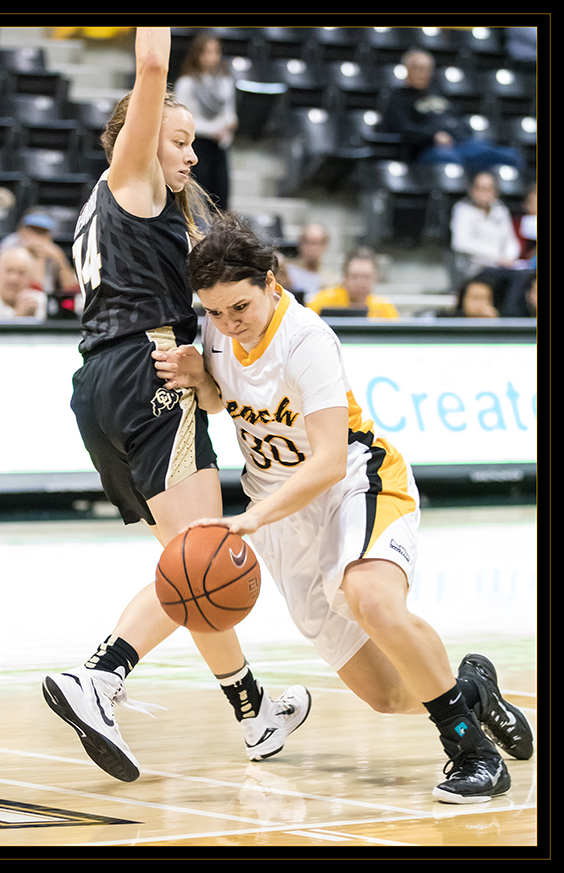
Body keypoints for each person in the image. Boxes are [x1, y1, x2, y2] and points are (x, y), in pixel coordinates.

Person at [152, 213, 534, 803]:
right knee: (385, 694)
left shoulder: (306, 339)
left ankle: (472, 752)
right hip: (283, 512)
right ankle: (471, 692)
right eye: (214, 312)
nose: (229, 324)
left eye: (239, 309)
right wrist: (202, 379)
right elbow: (225, 400)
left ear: (271, 283)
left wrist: (251, 519)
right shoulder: (219, 335)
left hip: (356, 483)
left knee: (372, 598)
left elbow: (329, 460)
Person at [41, 28, 310, 785]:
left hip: (100, 382)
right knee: (201, 557)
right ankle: (101, 675)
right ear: (138, 136)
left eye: (194, 142)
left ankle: (253, 708)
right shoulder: (133, 178)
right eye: (180, 139)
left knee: (189, 564)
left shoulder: (112, 208)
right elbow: (153, 61)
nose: (191, 154)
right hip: (146, 369)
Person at [382, 50, 525, 177]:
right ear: (407, 69)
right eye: (418, 68)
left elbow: (460, 120)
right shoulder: (398, 98)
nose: (423, 73)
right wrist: (433, 136)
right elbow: (404, 129)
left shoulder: (439, 94)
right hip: (429, 149)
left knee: (510, 156)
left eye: (427, 69)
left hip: (462, 145)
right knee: (450, 162)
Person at [173, 31, 237, 211]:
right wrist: (211, 130)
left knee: (220, 199)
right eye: (207, 52)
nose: (212, 57)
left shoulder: (225, 81)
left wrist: (229, 123)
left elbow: (229, 112)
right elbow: (183, 118)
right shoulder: (187, 83)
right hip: (197, 145)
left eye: (215, 52)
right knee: (200, 198)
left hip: (219, 145)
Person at [450, 171, 521, 280]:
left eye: (488, 189)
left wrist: (510, 257)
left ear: (495, 191)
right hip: (474, 265)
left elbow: (509, 238)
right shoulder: (462, 210)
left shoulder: (500, 210)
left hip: (502, 264)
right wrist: (496, 257)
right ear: (471, 189)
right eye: (480, 188)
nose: (484, 193)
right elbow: (460, 243)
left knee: (524, 275)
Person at [0, 209, 79, 294]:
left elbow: (71, 288)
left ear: (50, 236)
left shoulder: (53, 250)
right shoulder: (10, 246)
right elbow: (36, 288)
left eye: (42, 233)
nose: (36, 237)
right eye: (32, 231)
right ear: (21, 230)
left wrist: (60, 260)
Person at [308, 249, 399, 318]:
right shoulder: (323, 302)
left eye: (366, 277)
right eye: (355, 277)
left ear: (374, 279)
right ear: (345, 278)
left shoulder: (384, 307)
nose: (361, 283)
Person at [283, 224, 336, 304]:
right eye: (307, 243)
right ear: (300, 244)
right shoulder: (287, 273)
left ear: (325, 246)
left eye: (316, 243)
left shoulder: (332, 280)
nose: (312, 248)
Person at [0, 246, 46, 321]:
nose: (14, 278)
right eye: (9, 270)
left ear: (31, 278)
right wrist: (19, 318)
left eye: (21, 273)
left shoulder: (41, 302)